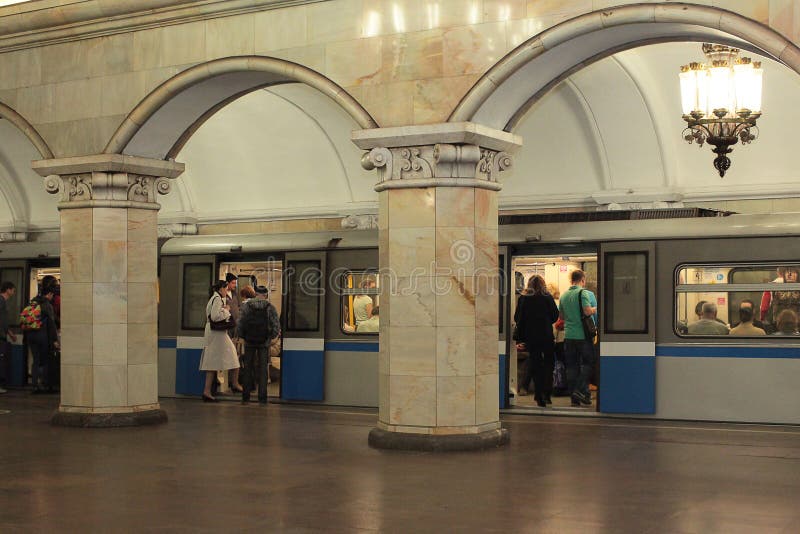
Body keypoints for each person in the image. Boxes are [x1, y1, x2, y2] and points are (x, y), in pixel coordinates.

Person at [514, 275, 559, 407]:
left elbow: (517, 317)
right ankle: (547, 394)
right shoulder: (547, 297)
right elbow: (555, 316)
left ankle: (538, 395)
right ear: (542, 284)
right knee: (549, 364)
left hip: (531, 337)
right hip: (546, 335)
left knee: (536, 364)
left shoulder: (523, 298)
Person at [558, 269, 596, 407]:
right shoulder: (583, 292)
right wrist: (595, 309)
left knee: (572, 368)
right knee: (589, 362)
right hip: (582, 336)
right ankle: (579, 389)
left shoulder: (564, 295)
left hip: (569, 336)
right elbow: (587, 311)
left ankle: (575, 398)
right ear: (583, 280)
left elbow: (561, 317)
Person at [237, 285, 280, 405]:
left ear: (255, 294)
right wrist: (269, 337)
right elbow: (276, 325)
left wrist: (243, 336)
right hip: (264, 342)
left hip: (249, 341)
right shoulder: (270, 307)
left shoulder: (247, 306)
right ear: (266, 295)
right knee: (262, 369)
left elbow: (240, 323)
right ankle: (262, 397)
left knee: (248, 368)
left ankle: (246, 396)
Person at [199, 281, 240, 402]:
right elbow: (215, 316)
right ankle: (235, 384)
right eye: (226, 289)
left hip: (213, 334)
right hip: (217, 334)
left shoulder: (213, 298)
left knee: (212, 362)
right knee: (233, 355)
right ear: (221, 289)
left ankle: (207, 391)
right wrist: (226, 310)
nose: (227, 292)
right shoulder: (217, 299)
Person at [25, 285, 59, 394]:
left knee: (36, 360)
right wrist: (55, 339)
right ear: (48, 294)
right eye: (52, 295)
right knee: (45, 361)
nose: (52, 297)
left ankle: (35, 385)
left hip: (31, 335)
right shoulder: (47, 305)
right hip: (42, 336)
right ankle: (45, 384)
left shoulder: (32, 302)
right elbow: (52, 323)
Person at [222, 273, 242, 394]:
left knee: (235, 356)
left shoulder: (234, 295)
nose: (235, 285)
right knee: (231, 357)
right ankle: (232, 382)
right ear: (227, 283)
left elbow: (238, 309)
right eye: (233, 283)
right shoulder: (223, 297)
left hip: (235, 329)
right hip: (227, 330)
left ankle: (233, 382)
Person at [0, 281, 17, 394]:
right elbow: (2, 320)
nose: (14, 292)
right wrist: (9, 333)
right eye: (13, 290)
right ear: (8, 290)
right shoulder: (1, 301)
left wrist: (9, 333)